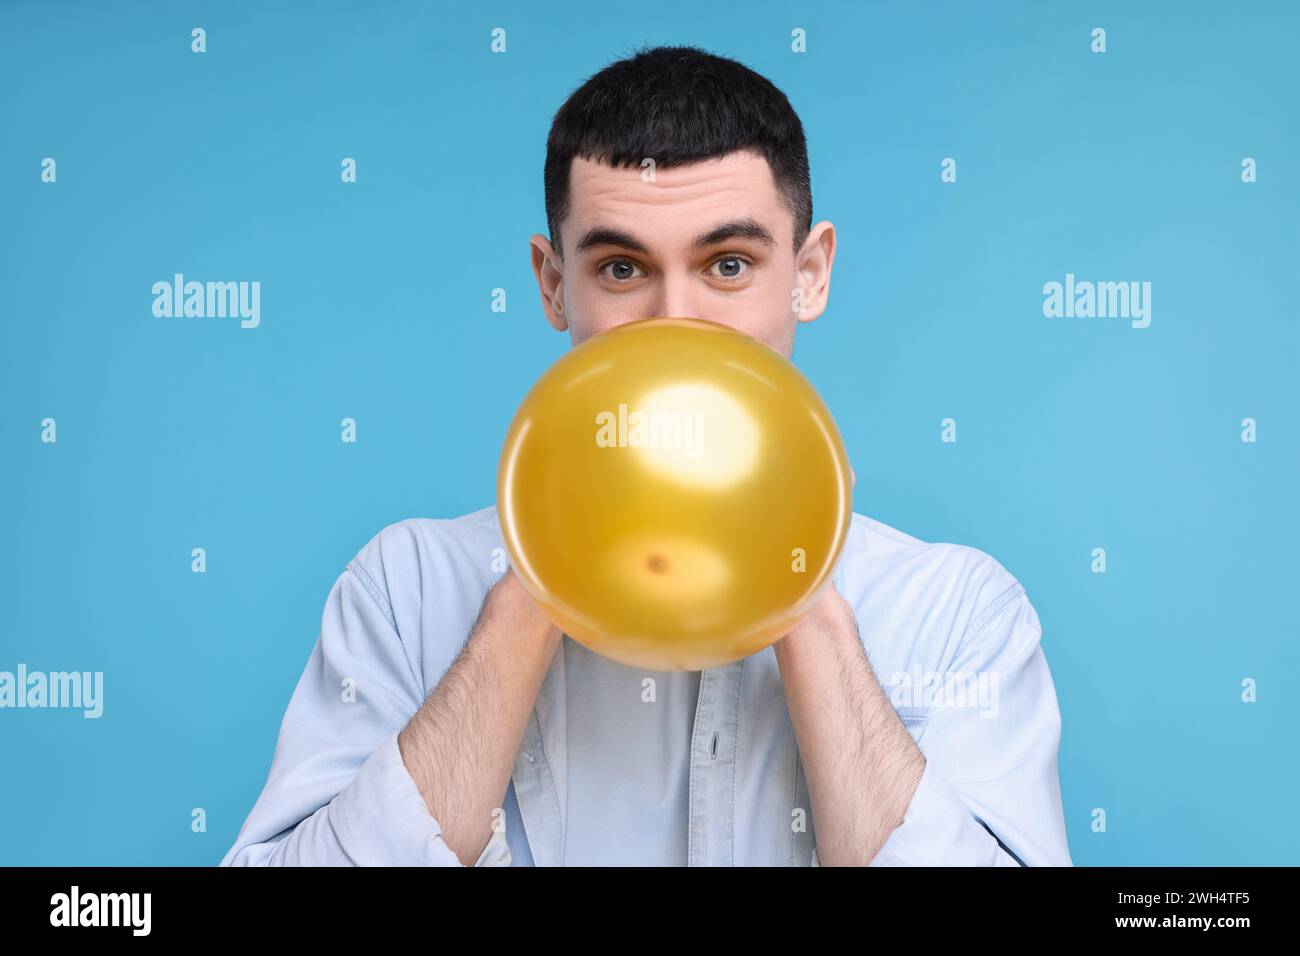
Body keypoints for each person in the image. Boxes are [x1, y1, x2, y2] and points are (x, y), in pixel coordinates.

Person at [220, 45, 1071, 867]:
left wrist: (798, 577)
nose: (674, 324)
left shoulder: (958, 613)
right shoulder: (404, 591)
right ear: (556, 287)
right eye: (623, 269)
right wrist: (541, 577)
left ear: (809, 274)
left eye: (728, 265)